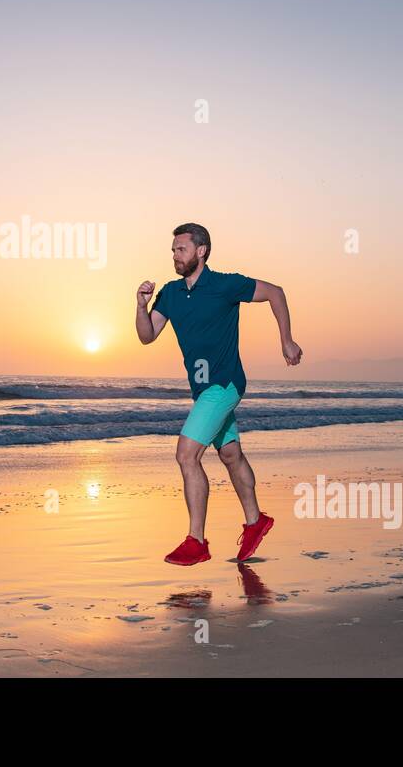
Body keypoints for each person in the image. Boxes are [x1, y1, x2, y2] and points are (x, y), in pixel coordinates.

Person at [136, 223, 303, 565]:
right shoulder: (169, 293)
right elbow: (147, 335)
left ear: (201, 251)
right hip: (202, 391)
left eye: (180, 249)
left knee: (186, 455)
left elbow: (276, 292)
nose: (174, 255)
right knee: (231, 456)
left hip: (224, 384)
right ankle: (256, 522)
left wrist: (286, 340)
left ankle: (196, 540)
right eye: (172, 250)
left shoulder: (225, 284)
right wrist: (141, 305)